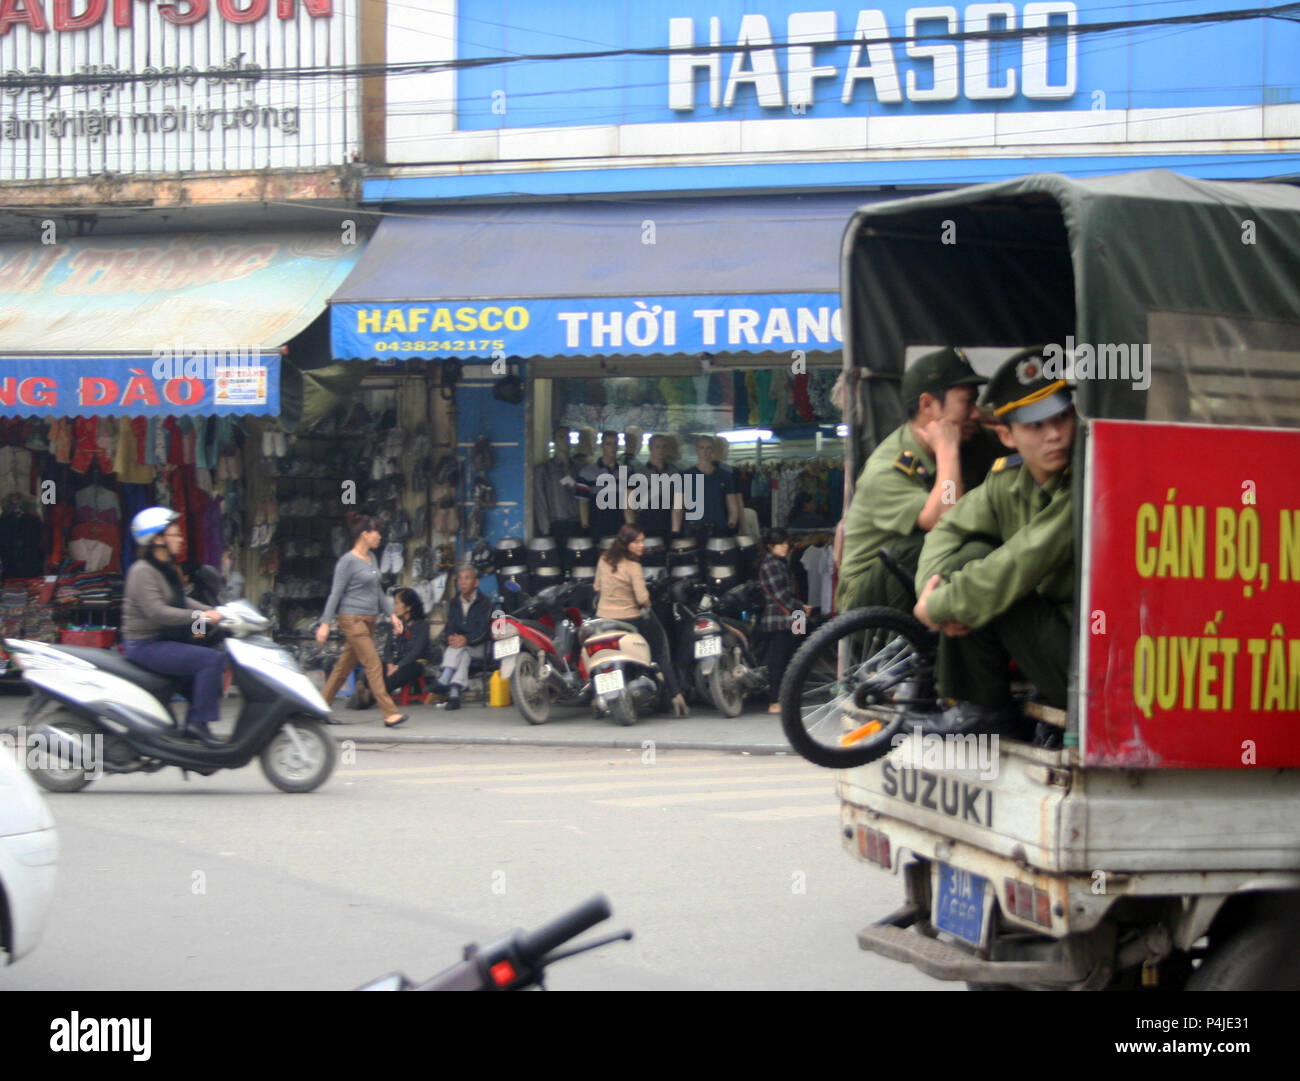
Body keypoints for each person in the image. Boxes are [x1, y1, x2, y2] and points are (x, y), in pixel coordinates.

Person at [913, 347, 1076, 733]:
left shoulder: (1086, 480)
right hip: (1044, 645)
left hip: (1089, 659)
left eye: (1062, 417)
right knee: (966, 557)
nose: (1054, 435)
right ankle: (978, 705)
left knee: (997, 584)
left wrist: (942, 605)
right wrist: (930, 593)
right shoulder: (1008, 481)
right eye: (1036, 426)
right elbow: (948, 527)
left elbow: (1023, 559)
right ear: (1006, 435)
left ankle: (989, 711)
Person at [836, 347, 1002, 615]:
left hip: (909, 579)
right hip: (866, 600)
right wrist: (948, 451)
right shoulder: (886, 469)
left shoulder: (969, 435)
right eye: (967, 402)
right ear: (927, 405)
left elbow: (1012, 438)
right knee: (933, 545)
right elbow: (946, 518)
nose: (974, 413)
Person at [121, 507, 225, 742]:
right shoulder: (142, 571)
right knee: (211, 660)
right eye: (174, 534)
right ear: (157, 539)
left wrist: (212, 611)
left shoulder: (165, 567)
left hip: (164, 640)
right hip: (145, 645)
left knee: (207, 651)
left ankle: (193, 732)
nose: (180, 539)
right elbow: (158, 612)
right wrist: (203, 617)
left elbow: (180, 599)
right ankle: (198, 727)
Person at [316, 516, 408, 729]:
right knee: (373, 663)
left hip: (369, 620)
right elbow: (335, 593)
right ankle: (390, 713)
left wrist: (392, 615)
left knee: (343, 667)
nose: (380, 536)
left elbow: (378, 591)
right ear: (364, 535)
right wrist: (324, 623)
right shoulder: (347, 561)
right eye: (377, 532)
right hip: (352, 619)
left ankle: (319, 709)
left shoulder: (372, 559)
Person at [594, 524, 688, 716]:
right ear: (626, 543)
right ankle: (676, 695)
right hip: (630, 619)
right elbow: (642, 598)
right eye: (637, 542)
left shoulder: (604, 559)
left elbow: (596, 586)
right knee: (661, 649)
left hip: (602, 619)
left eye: (642, 541)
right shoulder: (633, 566)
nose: (641, 545)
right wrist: (647, 603)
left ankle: (597, 698)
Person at [757, 528, 809, 715]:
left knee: (792, 657)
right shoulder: (771, 564)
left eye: (786, 543)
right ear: (771, 546)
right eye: (780, 543)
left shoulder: (780, 562)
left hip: (792, 616)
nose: (784, 546)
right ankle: (774, 700)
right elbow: (781, 595)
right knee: (779, 660)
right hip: (781, 618)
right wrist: (801, 607)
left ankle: (787, 697)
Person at [433, 564, 492, 710]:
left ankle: (445, 678)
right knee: (463, 653)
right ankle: (454, 694)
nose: (462, 582)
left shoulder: (485, 603)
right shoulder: (454, 602)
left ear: (476, 582)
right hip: (461, 648)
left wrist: (467, 639)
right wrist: (450, 638)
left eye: (467, 578)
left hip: (480, 646)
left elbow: (484, 630)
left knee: (462, 648)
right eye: (460, 579)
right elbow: (449, 627)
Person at [672, 434, 740, 538]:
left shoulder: (725, 476)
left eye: (709, 448)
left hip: (719, 529)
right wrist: (675, 532)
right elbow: (677, 508)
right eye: (702, 447)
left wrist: (731, 524)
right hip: (694, 530)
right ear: (697, 450)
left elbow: (732, 506)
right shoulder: (684, 476)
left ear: (713, 450)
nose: (705, 451)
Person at [576, 430, 633, 540]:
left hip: (621, 528)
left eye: (616, 443)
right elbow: (583, 503)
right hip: (597, 528)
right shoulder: (587, 473)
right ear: (601, 446)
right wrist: (585, 527)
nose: (613, 447)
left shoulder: (627, 472)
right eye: (609, 444)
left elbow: (629, 505)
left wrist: (631, 528)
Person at [534, 426, 581, 543]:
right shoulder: (544, 469)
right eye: (561, 437)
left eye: (567, 437)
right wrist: (545, 529)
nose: (565, 440)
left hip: (576, 523)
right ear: (554, 440)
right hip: (556, 524)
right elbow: (540, 500)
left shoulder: (577, 469)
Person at [384, 588, 432, 700]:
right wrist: (390, 663)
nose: (394, 607)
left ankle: (369, 696)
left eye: (397, 603)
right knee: (370, 670)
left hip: (413, 664)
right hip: (395, 662)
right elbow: (388, 648)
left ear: (408, 607)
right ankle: (366, 694)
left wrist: (398, 666)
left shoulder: (422, 626)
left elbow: (416, 652)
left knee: (395, 675)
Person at [631, 433, 677, 542]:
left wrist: (676, 530)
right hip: (644, 525)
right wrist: (632, 529)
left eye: (664, 446)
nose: (661, 450)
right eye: (657, 446)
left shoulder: (674, 472)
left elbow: (678, 505)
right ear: (650, 448)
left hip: (667, 525)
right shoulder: (637, 472)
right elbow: (628, 505)